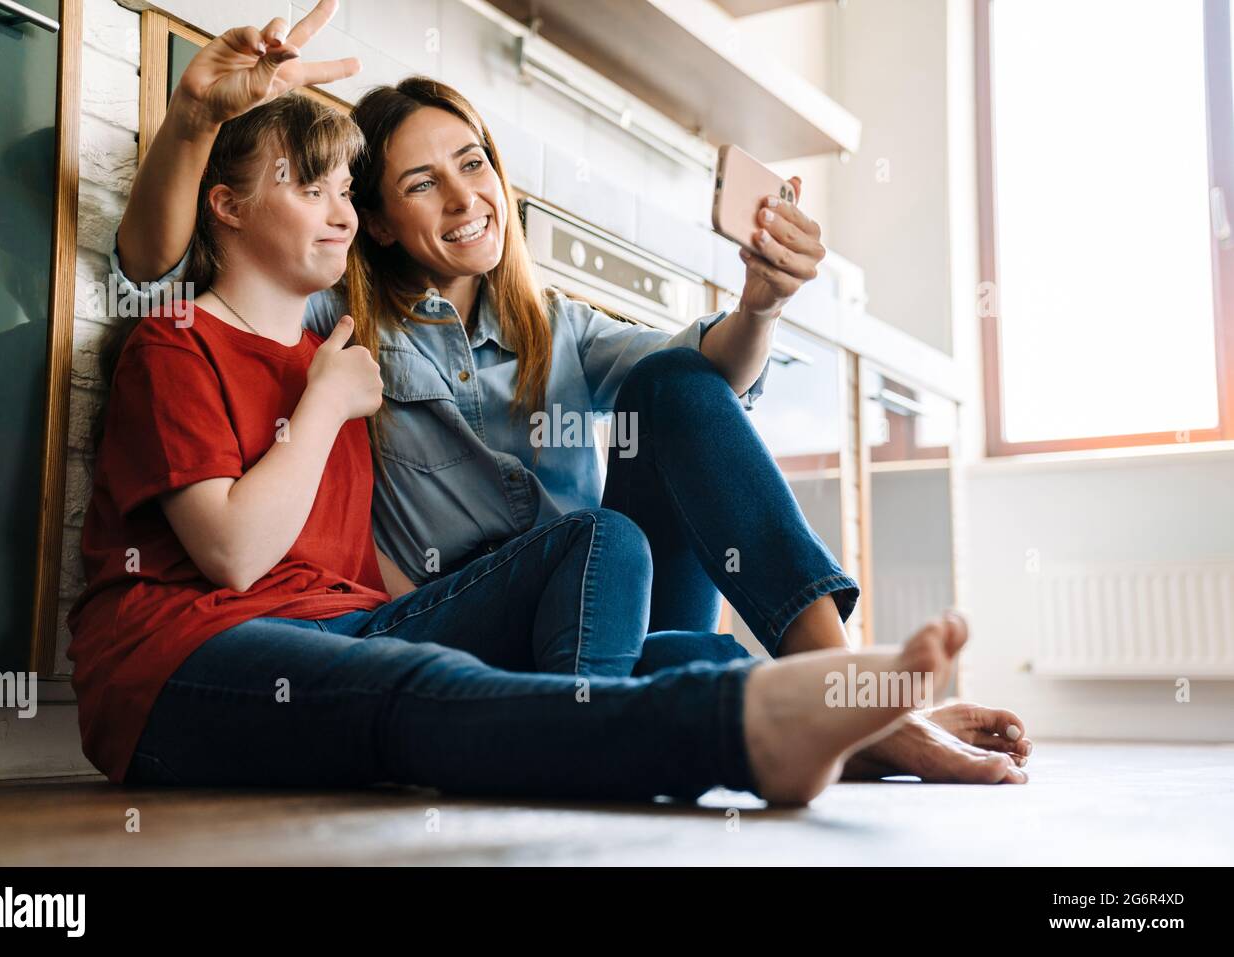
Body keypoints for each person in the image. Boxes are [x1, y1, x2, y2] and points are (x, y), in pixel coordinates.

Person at [112, 0, 1032, 784]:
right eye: (420, 184)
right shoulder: (342, 324)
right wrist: (196, 116)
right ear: (378, 222)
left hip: (610, 594)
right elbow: (166, 267)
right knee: (655, 626)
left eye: (473, 164)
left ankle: (848, 689)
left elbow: (706, 384)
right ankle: (813, 722)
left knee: (673, 389)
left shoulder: (559, 326)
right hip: (480, 630)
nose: (463, 197)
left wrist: (759, 304)